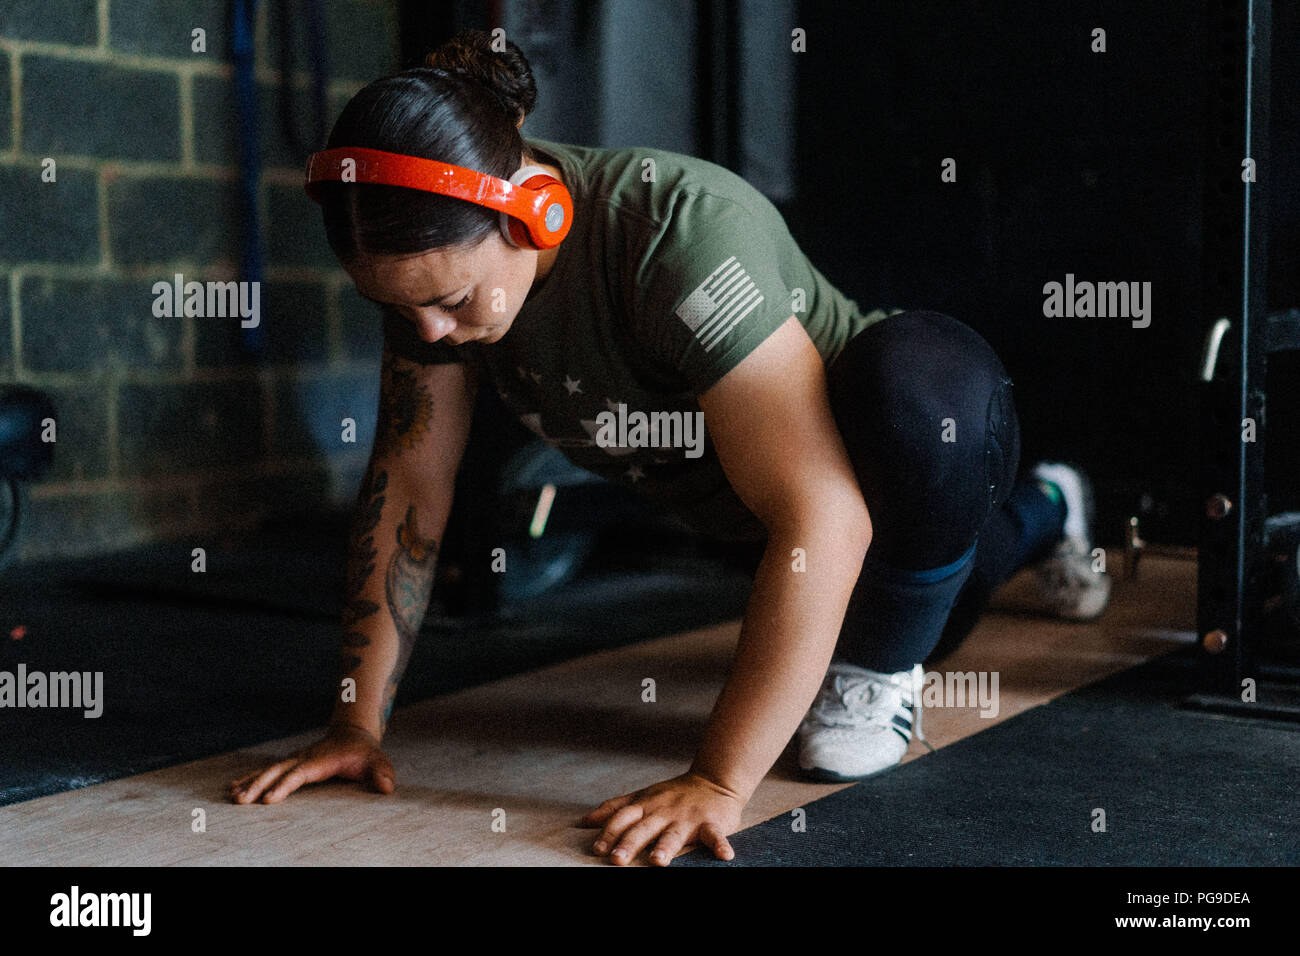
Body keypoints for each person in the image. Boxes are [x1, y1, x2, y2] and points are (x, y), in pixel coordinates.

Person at [228, 29, 1111, 865]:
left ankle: (908, 637)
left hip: (896, 476)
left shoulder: (674, 232)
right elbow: (411, 487)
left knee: (922, 396)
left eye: (453, 302)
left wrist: (720, 780)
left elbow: (826, 512)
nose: (428, 331)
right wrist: (356, 724)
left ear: (533, 213)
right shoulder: (430, 293)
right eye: (397, 309)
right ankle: (1055, 503)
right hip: (767, 534)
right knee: (950, 601)